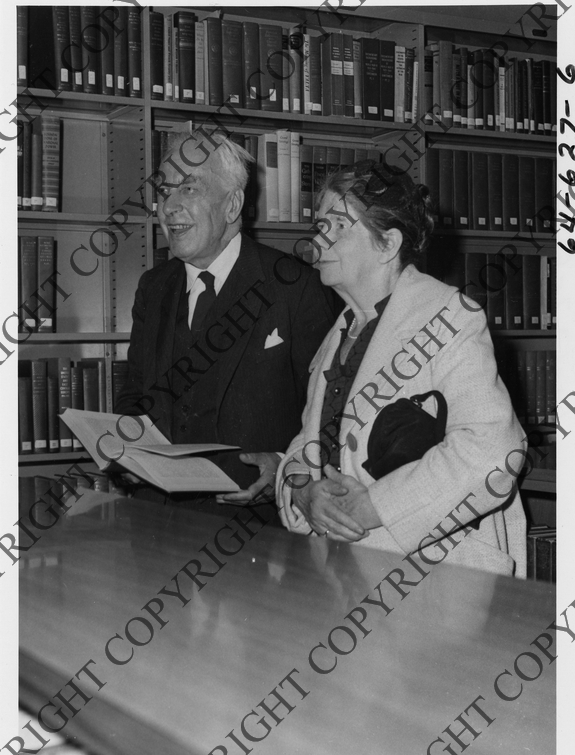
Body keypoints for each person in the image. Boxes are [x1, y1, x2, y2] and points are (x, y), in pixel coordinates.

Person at [276, 161, 528, 577]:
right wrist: (303, 492)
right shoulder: (339, 332)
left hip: (437, 581)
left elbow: (492, 452)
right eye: (319, 224)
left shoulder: (450, 317)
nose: (318, 239)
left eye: (337, 225)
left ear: (387, 244)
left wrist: (375, 506)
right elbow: (305, 447)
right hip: (341, 575)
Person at [115, 130, 339, 516]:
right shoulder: (152, 288)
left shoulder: (295, 286)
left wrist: (287, 467)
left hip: (252, 531)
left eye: (189, 189)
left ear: (233, 204)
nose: (169, 207)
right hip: (153, 521)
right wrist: (124, 451)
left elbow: (331, 415)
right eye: (165, 191)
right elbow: (135, 394)